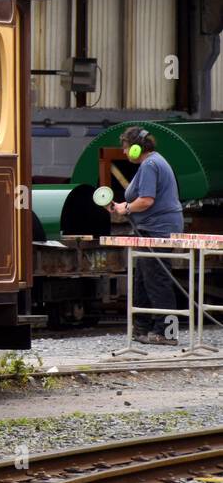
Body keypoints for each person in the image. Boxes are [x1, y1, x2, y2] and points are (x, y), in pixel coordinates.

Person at [106, 126, 184, 345]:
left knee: (157, 280)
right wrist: (123, 206)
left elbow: (146, 200)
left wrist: (127, 209)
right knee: (142, 280)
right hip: (150, 227)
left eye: (125, 147)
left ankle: (167, 333)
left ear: (136, 148)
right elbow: (141, 200)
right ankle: (142, 329)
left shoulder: (150, 165)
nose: (123, 152)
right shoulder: (152, 162)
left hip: (158, 229)